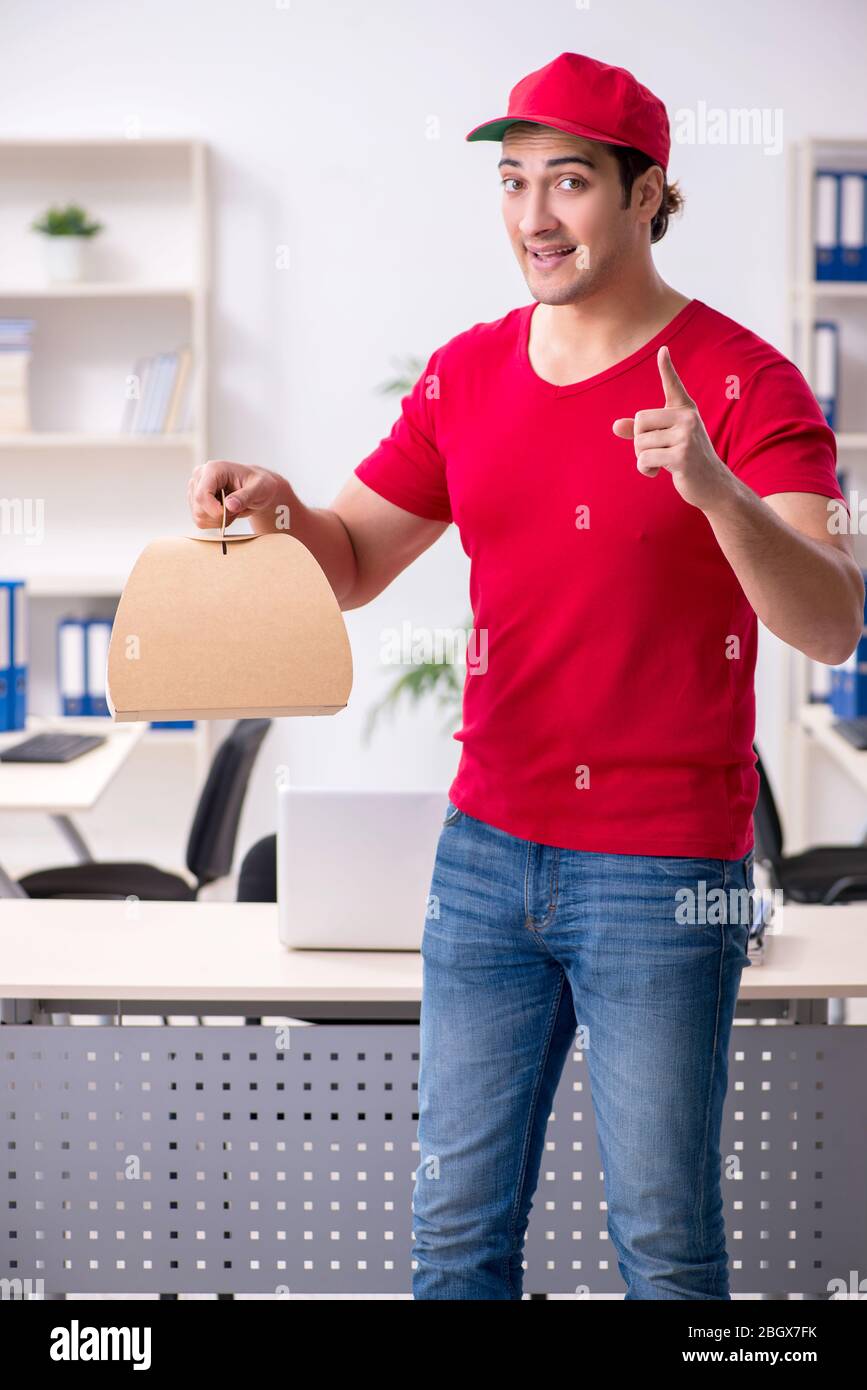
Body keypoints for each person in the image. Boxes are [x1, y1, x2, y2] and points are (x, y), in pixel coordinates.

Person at [188, 52, 863, 1299]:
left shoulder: (745, 381)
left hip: (663, 870)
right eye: (511, 182)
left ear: (648, 193)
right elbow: (350, 563)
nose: (533, 217)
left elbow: (830, 621)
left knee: (662, 1246)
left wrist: (716, 492)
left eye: (569, 182)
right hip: (485, 856)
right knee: (453, 1237)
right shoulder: (468, 372)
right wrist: (285, 514)